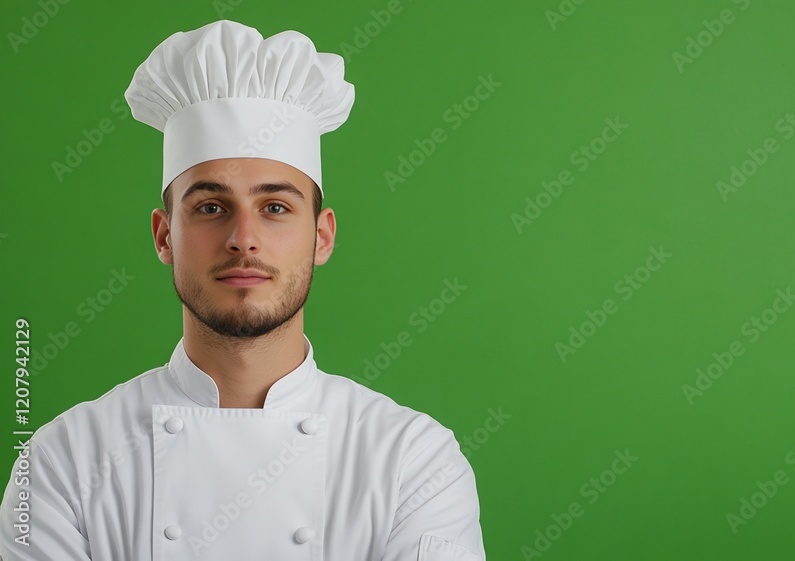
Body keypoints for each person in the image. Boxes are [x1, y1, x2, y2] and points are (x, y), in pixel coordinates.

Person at [0, 19, 486, 561]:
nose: (243, 240)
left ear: (321, 236)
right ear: (165, 236)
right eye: (211, 207)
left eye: (275, 208)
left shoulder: (413, 462)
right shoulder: (63, 460)